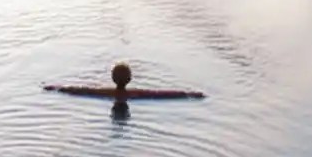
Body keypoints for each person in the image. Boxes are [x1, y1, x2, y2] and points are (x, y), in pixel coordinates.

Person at [44, 62, 205, 99]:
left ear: (112, 78)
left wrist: (56, 88)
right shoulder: (137, 94)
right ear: (130, 79)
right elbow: (161, 94)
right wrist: (188, 94)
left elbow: (80, 90)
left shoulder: (103, 92)